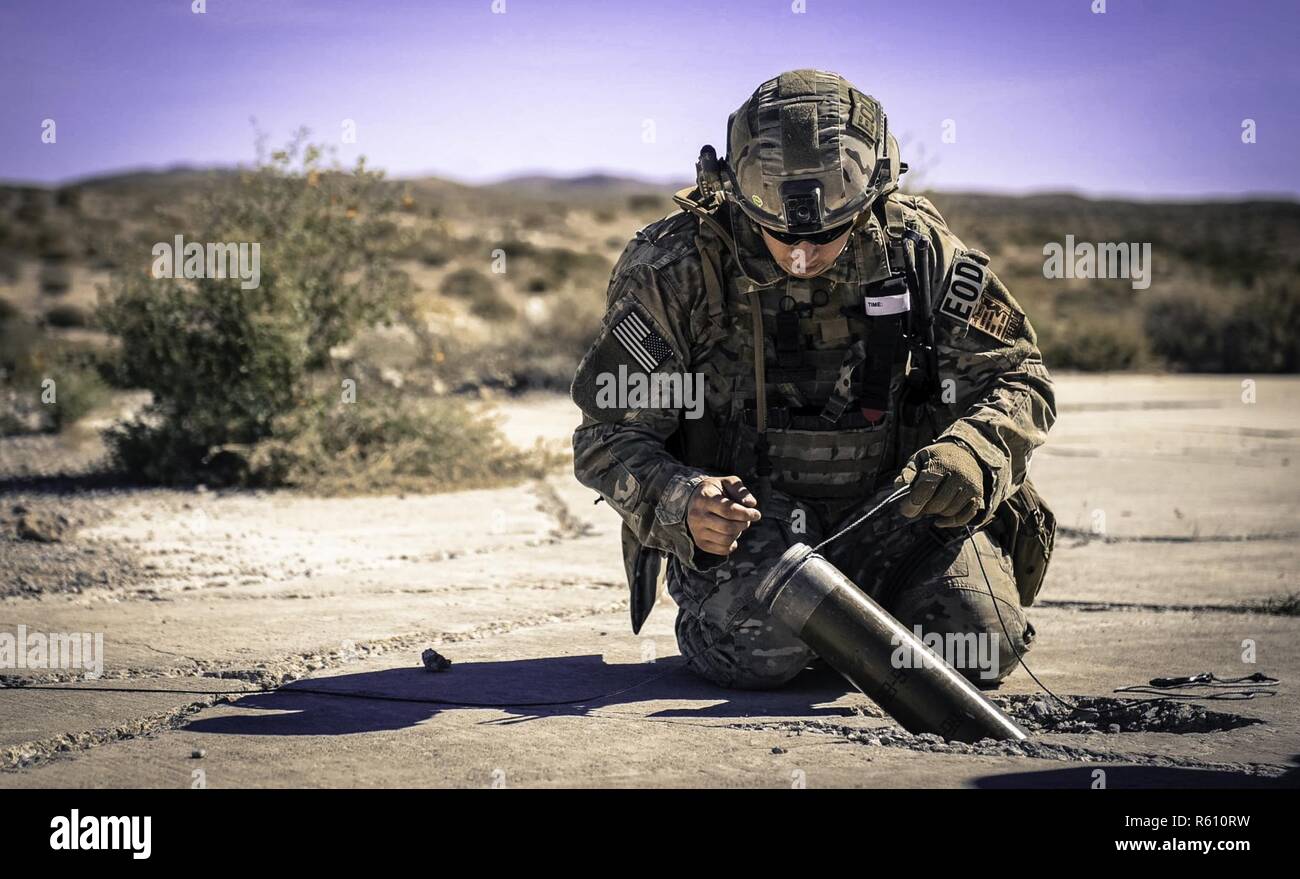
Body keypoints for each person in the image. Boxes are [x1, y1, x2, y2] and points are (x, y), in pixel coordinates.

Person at [571, 69, 1056, 690]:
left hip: (901, 513)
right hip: (751, 527)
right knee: (765, 653)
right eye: (779, 230)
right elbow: (606, 435)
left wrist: (972, 452)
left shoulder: (919, 252)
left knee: (976, 647)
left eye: (827, 232)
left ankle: (854, 627)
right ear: (735, 192)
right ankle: (809, 632)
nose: (802, 254)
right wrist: (683, 499)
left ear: (874, 192)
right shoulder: (679, 267)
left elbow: (1019, 378)